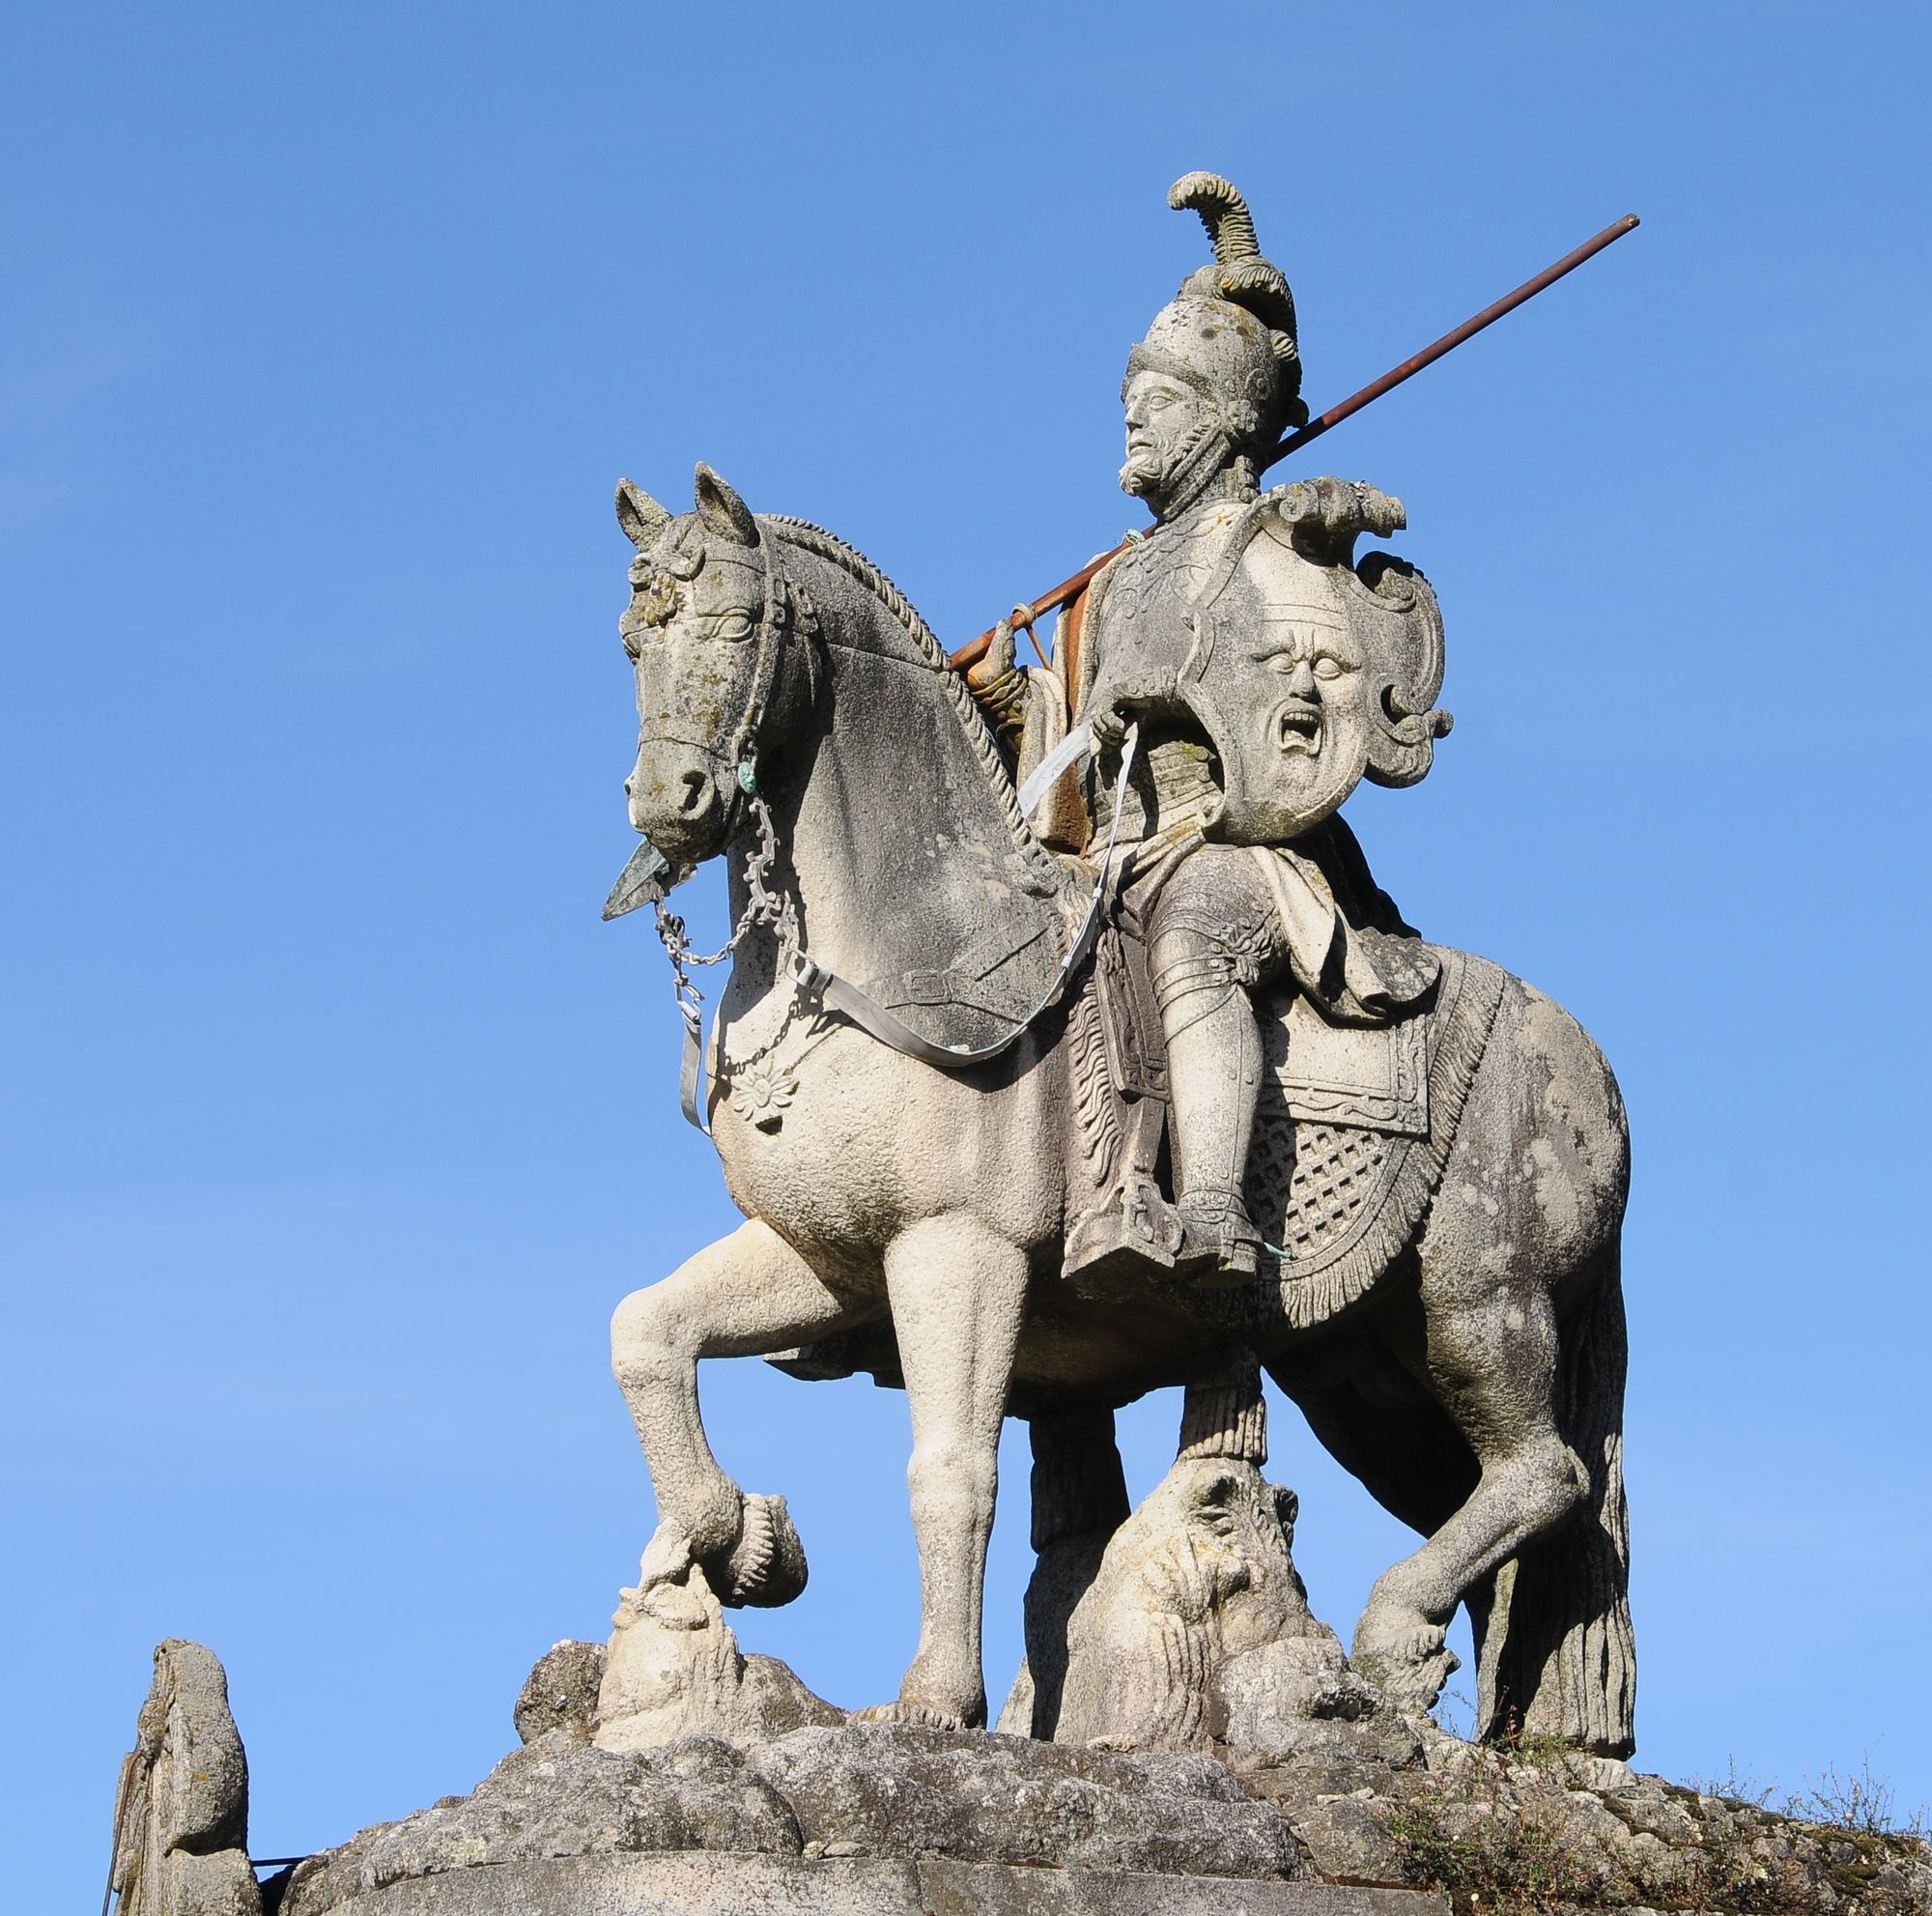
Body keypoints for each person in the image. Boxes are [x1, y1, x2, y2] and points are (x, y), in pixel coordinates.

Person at [968, 174, 1451, 1282]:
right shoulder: (1116, 578)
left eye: (1163, 401)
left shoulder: (1262, 545)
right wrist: (1014, 700)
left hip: (1233, 840)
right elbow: (1076, 738)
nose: (1133, 418)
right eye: (1131, 399)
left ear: (1228, 417)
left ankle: (1219, 1213)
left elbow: (1308, 694)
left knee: (1189, 934)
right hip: (1118, 849)